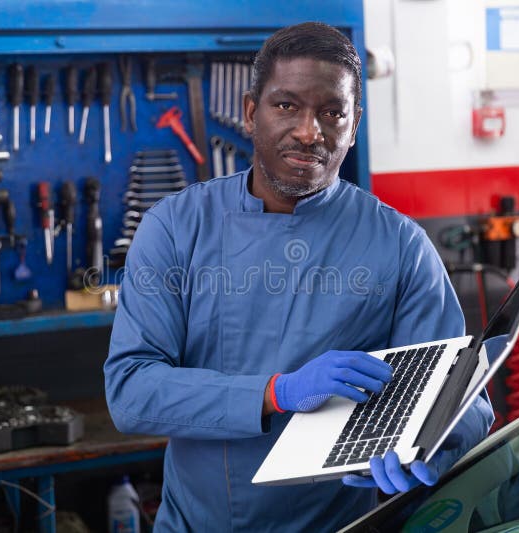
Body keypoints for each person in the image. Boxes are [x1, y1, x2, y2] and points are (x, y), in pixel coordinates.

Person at [104, 21, 494, 531]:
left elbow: (461, 399)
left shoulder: (400, 246)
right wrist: (275, 393)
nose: (310, 131)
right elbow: (131, 392)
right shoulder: (175, 228)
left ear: (354, 127)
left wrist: (432, 452)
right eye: (287, 105)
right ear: (250, 113)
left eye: (332, 112)